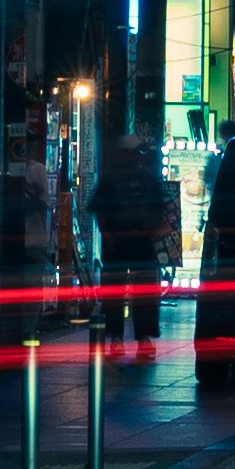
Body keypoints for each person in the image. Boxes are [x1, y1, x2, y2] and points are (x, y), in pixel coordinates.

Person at [93, 126, 179, 356]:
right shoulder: (111, 180)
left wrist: (155, 231)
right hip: (118, 244)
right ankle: (117, 338)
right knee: (114, 293)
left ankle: (143, 337)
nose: (133, 158)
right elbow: (100, 211)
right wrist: (108, 237)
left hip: (141, 243)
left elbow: (159, 209)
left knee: (144, 292)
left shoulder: (146, 179)